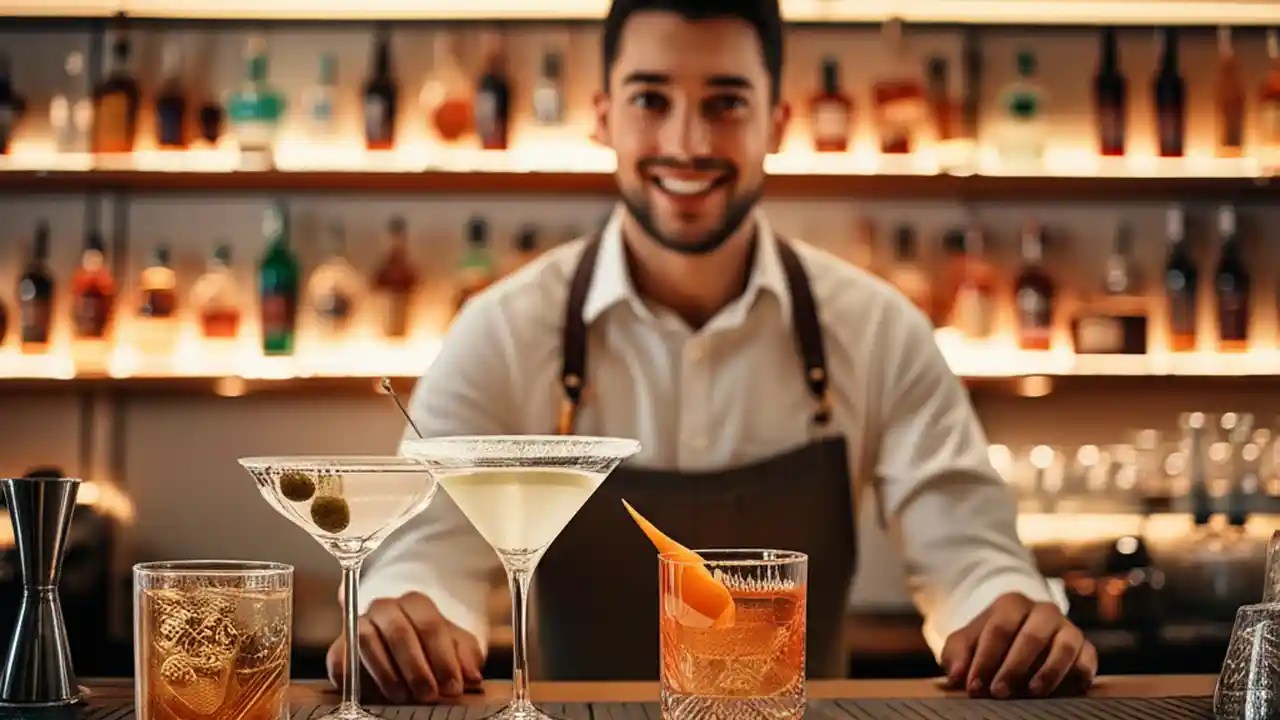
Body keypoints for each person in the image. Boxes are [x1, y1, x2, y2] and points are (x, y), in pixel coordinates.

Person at [328, 0, 1098, 703]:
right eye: (650, 100)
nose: (687, 144)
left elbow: (967, 551)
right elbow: (425, 551)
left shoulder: (878, 330)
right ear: (603, 117)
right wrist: (409, 618)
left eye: (726, 104)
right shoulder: (499, 333)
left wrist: (1005, 617)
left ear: (778, 123)